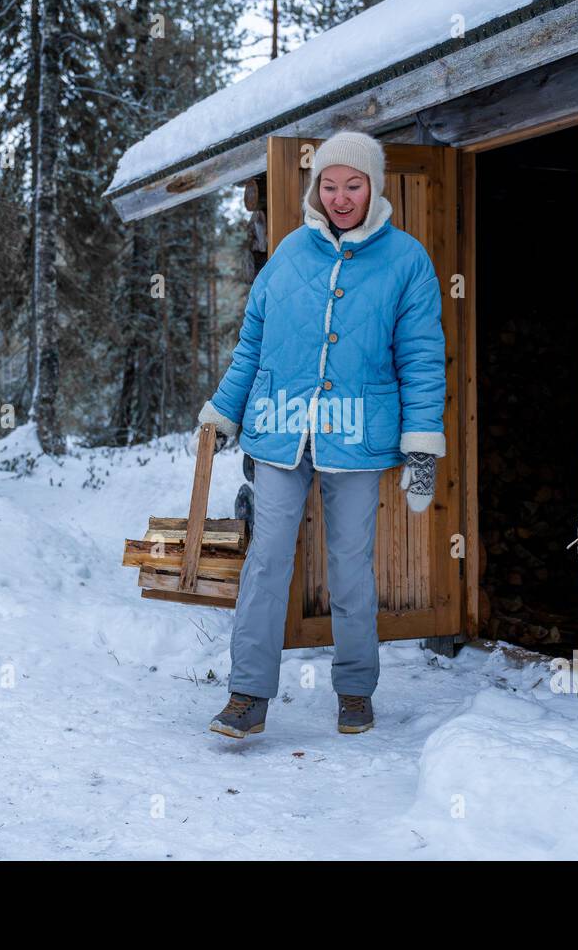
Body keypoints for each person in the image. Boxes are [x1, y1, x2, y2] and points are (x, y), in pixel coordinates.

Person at [194, 130, 446, 738]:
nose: (340, 196)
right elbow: (253, 342)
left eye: (352, 185)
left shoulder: (407, 260)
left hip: (356, 438)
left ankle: (356, 689)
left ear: (373, 187)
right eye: (329, 185)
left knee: (351, 565)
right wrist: (223, 413)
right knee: (267, 558)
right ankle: (247, 695)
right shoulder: (288, 254)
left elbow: (421, 358)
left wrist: (422, 450)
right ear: (315, 188)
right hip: (280, 433)